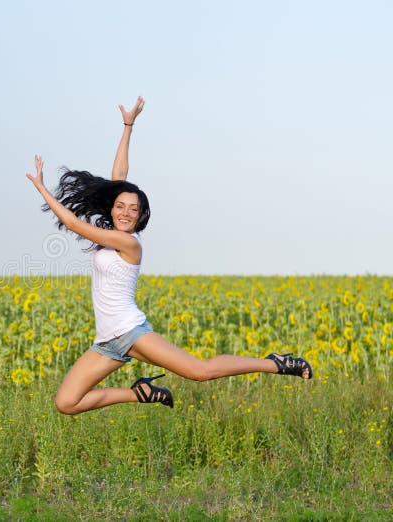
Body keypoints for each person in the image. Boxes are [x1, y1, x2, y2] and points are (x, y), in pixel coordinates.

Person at [25, 97, 312, 414]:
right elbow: (119, 176)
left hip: (130, 331)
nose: (125, 212)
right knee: (67, 402)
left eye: (133, 209)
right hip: (107, 340)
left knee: (199, 371)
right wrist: (128, 126)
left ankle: (275, 363)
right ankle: (140, 393)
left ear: (140, 216)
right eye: (120, 206)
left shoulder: (129, 244)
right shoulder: (112, 234)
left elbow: (72, 223)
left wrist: (42, 188)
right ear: (112, 209)